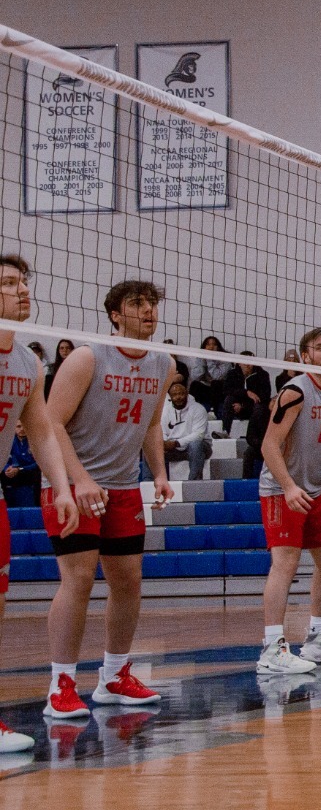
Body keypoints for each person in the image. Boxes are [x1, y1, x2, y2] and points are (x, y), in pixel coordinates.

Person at [41, 279, 176, 721]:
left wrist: (159, 473)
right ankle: (61, 684)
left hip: (122, 487)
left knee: (128, 581)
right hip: (71, 484)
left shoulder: (164, 363)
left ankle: (114, 675)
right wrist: (78, 481)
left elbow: (151, 425)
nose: (148, 310)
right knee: (78, 580)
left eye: (152, 303)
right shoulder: (88, 356)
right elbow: (50, 424)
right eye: (137, 304)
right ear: (115, 315)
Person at [0, 255, 79, 750]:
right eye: (9, 283)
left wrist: (62, 487)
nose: (22, 290)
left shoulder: (27, 363)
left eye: (24, 282)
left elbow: (42, 431)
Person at [254, 326, 321, 674]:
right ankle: (272, 648)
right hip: (281, 489)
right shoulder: (295, 391)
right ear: (306, 356)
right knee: (285, 564)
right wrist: (288, 487)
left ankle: (317, 640)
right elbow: (268, 445)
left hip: (315, 489)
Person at [160, 379, 212, 482]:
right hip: (174, 449)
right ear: (170, 397)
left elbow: (198, 435)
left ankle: (193, 483)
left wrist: (176, 443)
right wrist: (164, 443)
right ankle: (149, 483)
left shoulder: (198, 409)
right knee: (151, 449)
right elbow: (162, 432)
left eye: (181, 394)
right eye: (175, 395)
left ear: (187, 394)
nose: (178, 397)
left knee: (195, 444)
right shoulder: (165, 411)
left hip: (199, 447)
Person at [188, 334, 231, 412]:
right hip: (207, 388)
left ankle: (214, 410)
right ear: (204, 347)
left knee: (215, 383)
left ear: (218, 347)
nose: (211, 347)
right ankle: (191, 409)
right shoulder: (200, 357)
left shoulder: (225, 358)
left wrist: (209, 359)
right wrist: (202, 362)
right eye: (208, 344)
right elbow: (195, 377)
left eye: (214, 344)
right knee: (195, 384)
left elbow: (217, 377)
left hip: (220, 389)